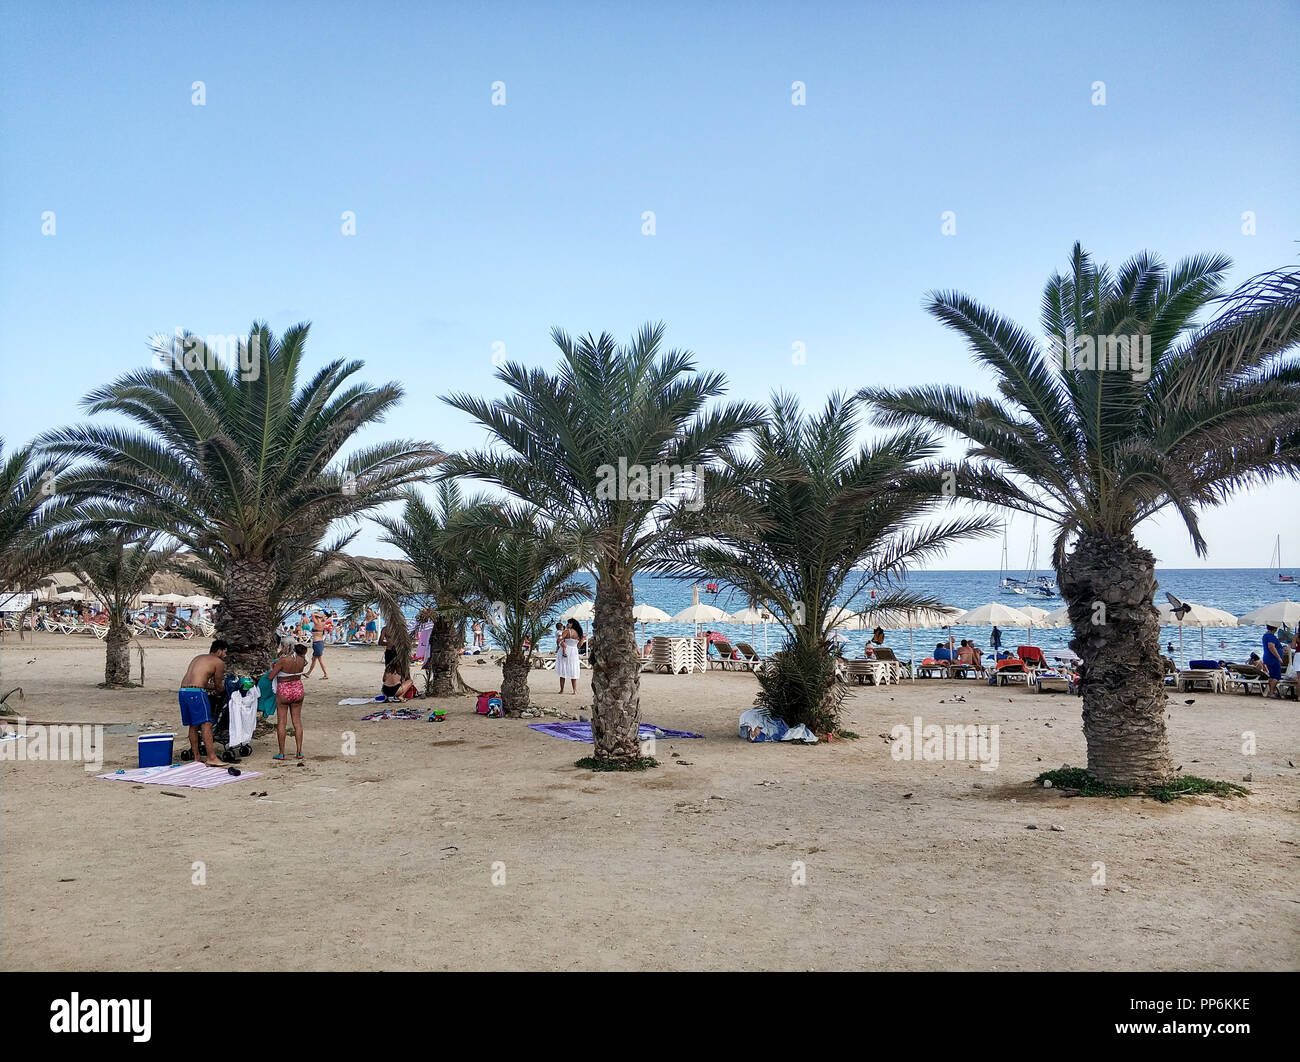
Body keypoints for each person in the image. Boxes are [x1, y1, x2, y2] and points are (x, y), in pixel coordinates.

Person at [178, 640, 228, 767]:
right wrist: (226, 690)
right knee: (206, 724)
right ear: (219, 651)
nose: (225, 656)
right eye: (225, 652)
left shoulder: (198, 658)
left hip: (183, 691)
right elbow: (218, 686)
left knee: (193, 726)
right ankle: (212, 757)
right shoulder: (218, 662)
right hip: (197, 693)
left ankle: (196, 757)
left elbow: (202, 681)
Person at [270, 642, 308, 760]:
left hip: (284, 690)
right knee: (297, 721)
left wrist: (273, 667)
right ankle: (299, 751)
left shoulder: (282, 660)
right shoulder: (302, 660)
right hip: (297, 688)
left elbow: (271, 677)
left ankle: (281, 753)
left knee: (282, 722)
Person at [556, 619, 583, 694]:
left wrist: (561, 642)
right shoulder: (579, 632)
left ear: (572, 624)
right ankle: (574, 690)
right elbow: (579, 646)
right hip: (574, 651)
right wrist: (583, 638)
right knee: (573, 669)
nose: (567, 624)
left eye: (569, 623)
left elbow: (559, 639)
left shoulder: (567, 631)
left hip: (566, 650)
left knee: (563, 669)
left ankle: (562, 690)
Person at [1263, 624, 1286, 698]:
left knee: (1272, 675)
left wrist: (1280, 640)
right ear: (1275, 628)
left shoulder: (1266, 635)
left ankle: (1271, 691)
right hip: (1273, 659)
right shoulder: (1271, 636)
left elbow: (1272, 643)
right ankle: (1272, 692)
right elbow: (1271, 646)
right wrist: (1279, 657)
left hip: (1268, 657)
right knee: (1276, 676)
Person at [305, 610, 329, 679]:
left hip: (317, 643)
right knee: (314, 659)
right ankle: (308, 673)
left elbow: (312, 614)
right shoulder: (323, 623)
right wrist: (321, 615)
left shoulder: (317, 624)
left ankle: (325, 674)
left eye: (317, 617)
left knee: (319, 660)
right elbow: (321, 617)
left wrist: (317, 614)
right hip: (319, 643)